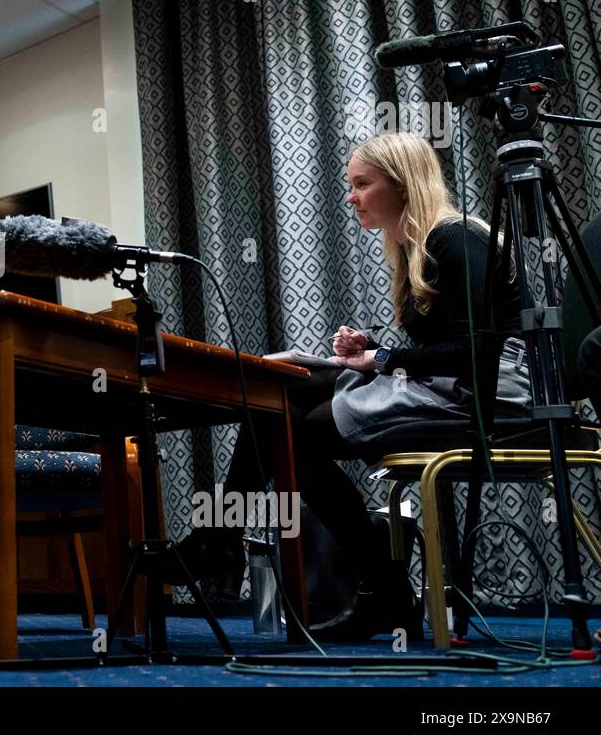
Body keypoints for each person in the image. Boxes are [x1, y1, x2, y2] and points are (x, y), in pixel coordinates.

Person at [166, 132, 530, 640]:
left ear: (402, 185)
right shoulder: (418, 248)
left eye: (362, 184)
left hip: (494, 391)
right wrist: (373, 349)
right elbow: (444, 347)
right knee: (290, 394)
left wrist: (381, 357)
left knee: (295, 432)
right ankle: (234, 543)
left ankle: (235, 543)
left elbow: (479, 352)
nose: (351, 196)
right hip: (456, 383)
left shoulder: (456, 236)